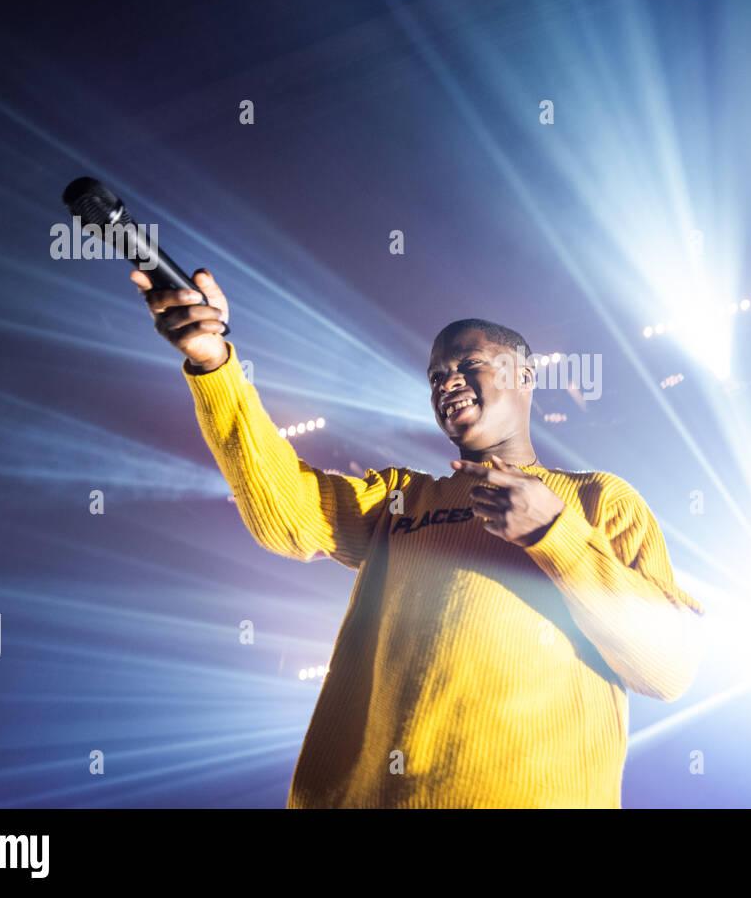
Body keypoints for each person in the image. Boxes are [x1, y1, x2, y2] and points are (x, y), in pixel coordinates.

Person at [131, 266, 706, 807]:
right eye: (435, 375)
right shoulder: (402, 500)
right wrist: (214, 366)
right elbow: (286, 514)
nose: (447, 381)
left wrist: (554, 535)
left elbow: (668, 669)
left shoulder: (598, 500)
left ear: (524, 375)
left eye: (468, 364)